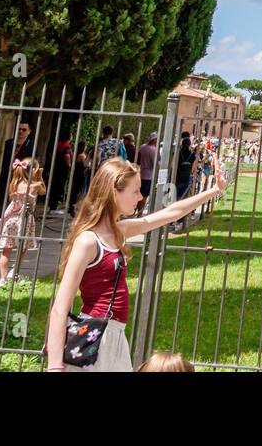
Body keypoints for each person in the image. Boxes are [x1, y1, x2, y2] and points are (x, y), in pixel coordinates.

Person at [45, 157, 226, 372]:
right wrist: (55, 367)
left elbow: (169, 214)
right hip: (94, 336)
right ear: (114, 192)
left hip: (115, 334)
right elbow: (60, 308)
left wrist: (214, 190)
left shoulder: (117, 231)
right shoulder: (88, 241)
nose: (140, 197)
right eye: (135, 191)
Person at [0, 158, 46, 288]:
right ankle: (13, 272)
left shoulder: (14, 184)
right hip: (24, 220)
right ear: (33, 170)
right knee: (23, 247)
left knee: (6, 251)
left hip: (10, 220)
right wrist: (40, 177)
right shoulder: (34, 185)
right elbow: (44, 191)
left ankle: (2, 280)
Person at [0, 121, 34, 222]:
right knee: (2, 197)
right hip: (5, 175)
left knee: (18, 198)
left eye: (24, 130)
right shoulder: (8, 143)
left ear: (29, 131)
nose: (21, 131)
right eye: (19, 129)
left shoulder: (31, 145)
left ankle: (16, 219)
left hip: (22, 176)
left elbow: (34, 162)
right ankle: (1, 218)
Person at [137, 132, 158, 206]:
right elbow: (155, 165)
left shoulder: (142, 147)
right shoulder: (153, 150)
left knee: (138, 194)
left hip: (140, 174)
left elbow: (138, 159)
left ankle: (134, 212)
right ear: (155, 140)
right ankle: (140, 214)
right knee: (144, 196)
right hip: (148, 176)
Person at [175, 131, 195, 203]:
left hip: (177, 176)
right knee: (184, 197)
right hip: (186, 177)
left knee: (176, 196)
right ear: (189, 144)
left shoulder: (178, 153)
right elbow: (193, 169)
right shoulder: (192, 154)